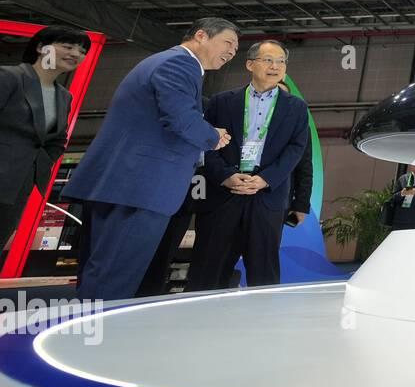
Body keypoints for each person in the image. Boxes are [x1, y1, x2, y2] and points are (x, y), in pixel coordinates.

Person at [65, 18, 237, 300]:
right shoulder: (179, 64)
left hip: (121, 184)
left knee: (99, 271)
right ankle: (101, 337)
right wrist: (212, 136)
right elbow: (181, 118)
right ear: (201, 35)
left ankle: (83, 333)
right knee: (115, 277)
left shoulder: (163, 61)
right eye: (228, 43)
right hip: (140, 187)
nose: (231, 52)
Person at [186, 40, 309, 290]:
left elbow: (296, 150)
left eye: (281, 62)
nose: (275, 66)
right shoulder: (222, 102)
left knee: (264, 274)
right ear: (250, 64)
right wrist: (225, 176)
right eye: (268, 60)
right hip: (224, 194)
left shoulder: (296, 107)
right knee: (208, 270)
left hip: (266, 197)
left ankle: (260, 326)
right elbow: (205, 145)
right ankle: (199, 324)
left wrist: (266, 179)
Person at [0, 26, 90, 248]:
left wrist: (36, 167)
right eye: (67, 46)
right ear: (41, 47)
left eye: (81, 51)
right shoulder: (10, 77)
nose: (76, 54)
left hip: (20, 183)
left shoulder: (63, 96)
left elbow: (56, 141)